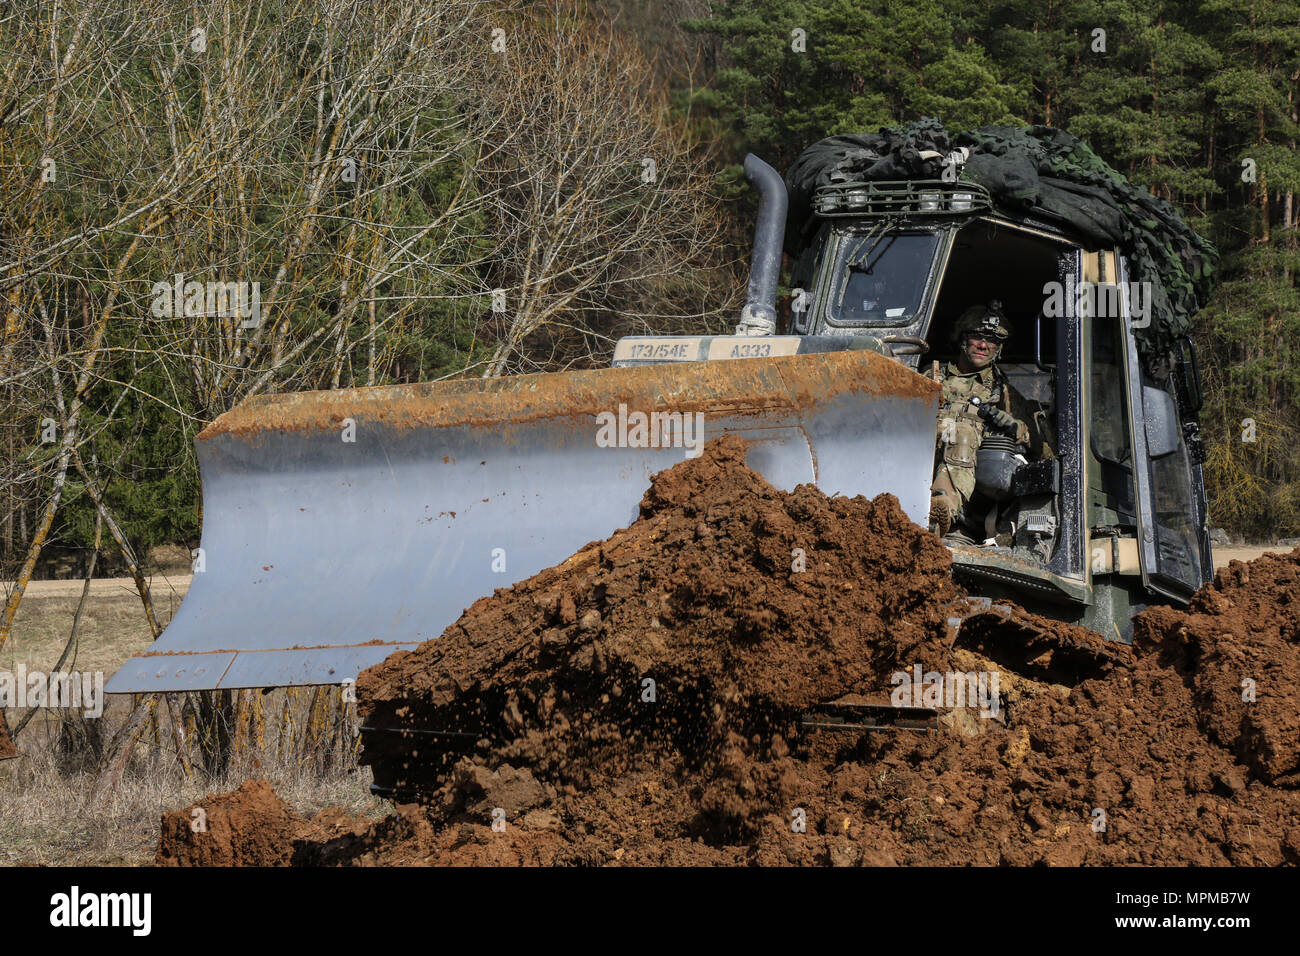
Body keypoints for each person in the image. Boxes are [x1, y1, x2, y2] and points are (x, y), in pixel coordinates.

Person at [929, 301, 1043, 538]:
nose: (983, 345)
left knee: (962, 433)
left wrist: (1011, 424)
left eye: (992, 341)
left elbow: (1039, 445)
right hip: (921, 461)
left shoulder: (1003, 392)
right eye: (977, 337)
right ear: (962, 339)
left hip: (972, 492)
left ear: (999, 348)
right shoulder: (932, 377)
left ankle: (942, 510)